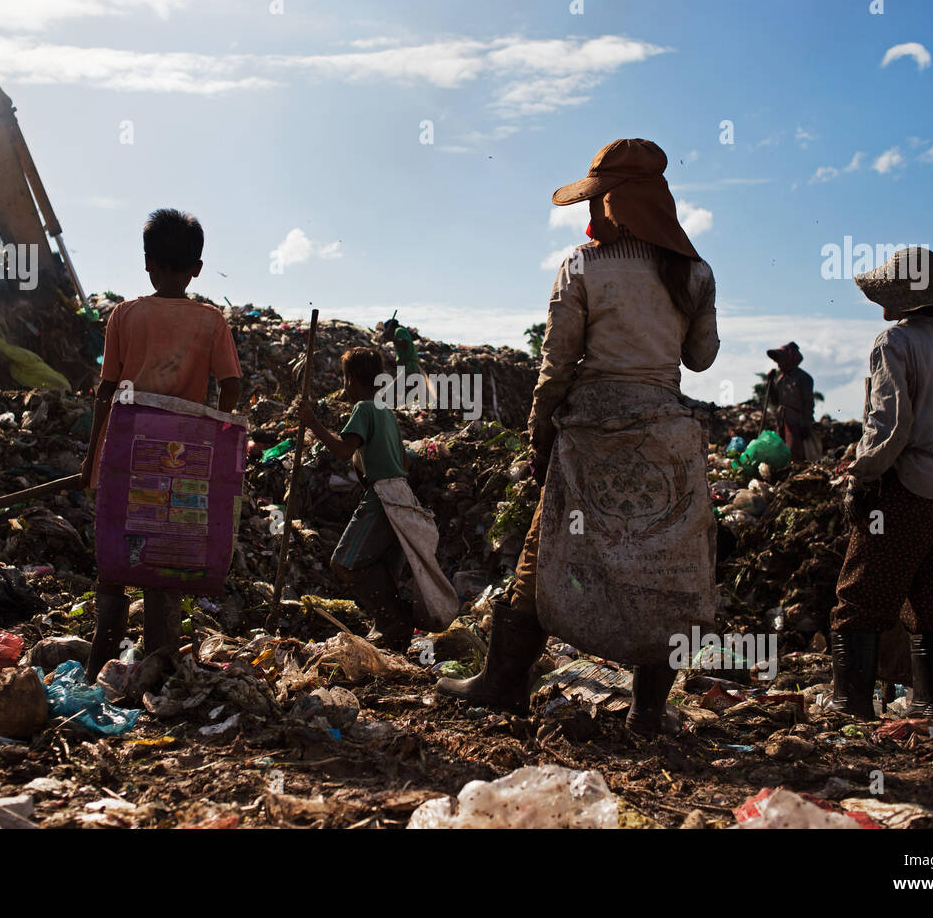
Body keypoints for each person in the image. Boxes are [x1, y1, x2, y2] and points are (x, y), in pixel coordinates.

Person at [436, 138, 720, 737]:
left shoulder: (584, 265)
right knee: (663, 566)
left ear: (612, 205)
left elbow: (556, 363)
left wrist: (539, 434)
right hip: (666, 437)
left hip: (591, 436)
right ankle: (647, 712)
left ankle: (503, 684)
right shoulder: (694, 272)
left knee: (543, 558)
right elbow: (701, 358)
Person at [80, 209, 242, 682]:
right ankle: (160, 667)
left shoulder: (125, 315)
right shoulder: (211, 322)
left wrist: (92, 457)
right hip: (181, 463)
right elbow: (230, 387)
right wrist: (213, 430)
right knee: (164, 560)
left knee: (115, 557)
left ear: (147, 262)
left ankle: (98, 665)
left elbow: (106, 393)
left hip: (125, 457)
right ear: (197, 267)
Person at [829, 246, 933, 721]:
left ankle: (850, 704)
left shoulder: (893, 341)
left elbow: (889, 424)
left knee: (861, 594)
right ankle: (928, 706)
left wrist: (862, 474)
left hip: (905, 483)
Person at [298, 347, 418, 648]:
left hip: (381, 498)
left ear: (350, 379)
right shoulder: (386, 413)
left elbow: (342, 451)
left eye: (344, 378)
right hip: (402, 496)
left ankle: (391, 622)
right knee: (378, 563)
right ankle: (392, 623)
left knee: (345, 563)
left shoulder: (364, 409)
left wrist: (312, 423)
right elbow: (404, 463)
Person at [764, 342, 815, 460]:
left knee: (793, 451)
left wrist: (806, 424)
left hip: (796, 421)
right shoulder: (781, 379)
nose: (778, 364)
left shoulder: (803, 378)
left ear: (789, 360)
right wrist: (770, 383)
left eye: (780, 360)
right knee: (780, 451)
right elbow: (774, 400)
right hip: (782, 420)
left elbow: (808, 403)